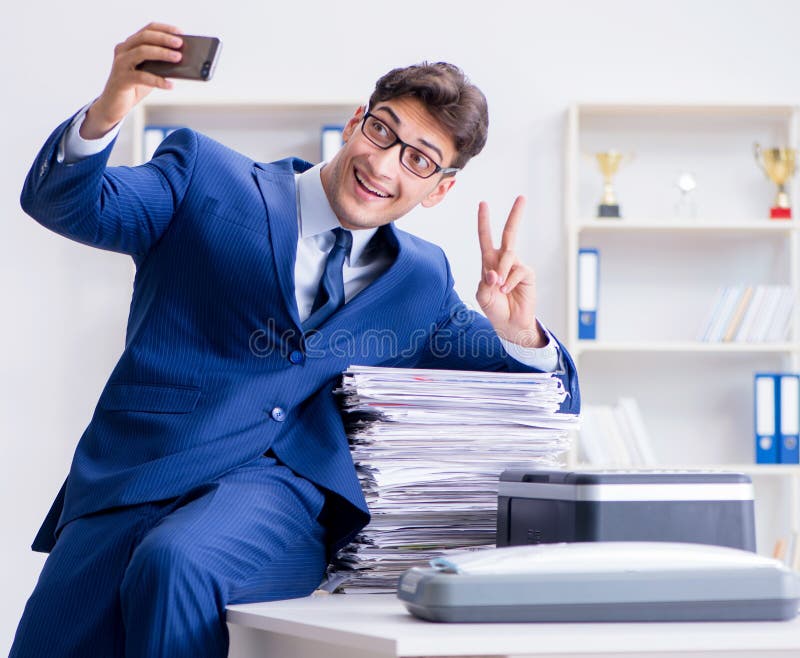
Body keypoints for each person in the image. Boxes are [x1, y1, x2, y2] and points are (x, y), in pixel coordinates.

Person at [11, 21, 579, 658]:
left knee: (177, 563)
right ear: (357, 119)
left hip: (277, 497)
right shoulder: (205, 175)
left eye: (418, 159)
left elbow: (545, 402)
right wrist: (112, 103)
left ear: (438, 189)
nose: (384, 163)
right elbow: (69, 204)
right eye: (383, 130)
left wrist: (518, 330)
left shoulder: (421, 279)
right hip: (142, 467)